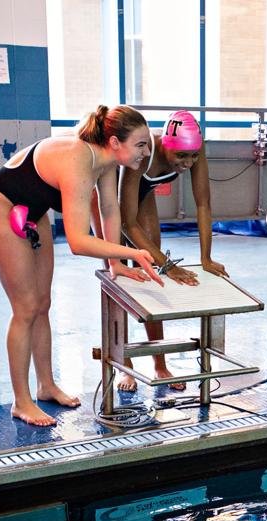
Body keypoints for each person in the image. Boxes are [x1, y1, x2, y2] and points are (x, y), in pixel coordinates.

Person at [0, 104, 157, 426]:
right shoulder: (79, 159)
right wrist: (136, 254)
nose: (145, 152)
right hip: (1, 206)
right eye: (141, 144)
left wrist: (116, 261)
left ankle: (46, 386)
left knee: (42, 304)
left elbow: (109, 208)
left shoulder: (104, 162)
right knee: (25, 308)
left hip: (34, 212)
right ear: (115, 142)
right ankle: (21, 401)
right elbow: (78, 242)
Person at [111, 110, 227, 392]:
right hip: (106, 198)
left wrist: (206, 258)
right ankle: (123, 366)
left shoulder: (193, 151)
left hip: (142, 193)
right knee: (119, 278)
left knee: (151, 275)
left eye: (194, 156)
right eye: (181, 157)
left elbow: (203, 205)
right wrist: (169, 266)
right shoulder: (144, 151)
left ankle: (159, 363)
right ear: (165, 145)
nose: (188, 163)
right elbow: (126, 222)